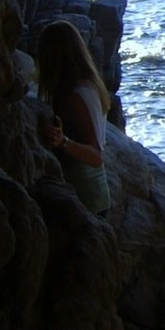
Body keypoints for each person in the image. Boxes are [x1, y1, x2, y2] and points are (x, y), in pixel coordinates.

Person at [36, 20, 116, 216]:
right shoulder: (84, 86)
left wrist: (63, 141)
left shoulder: (80, 94)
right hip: (87, 192)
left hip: (87, 195)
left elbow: (96, 156)